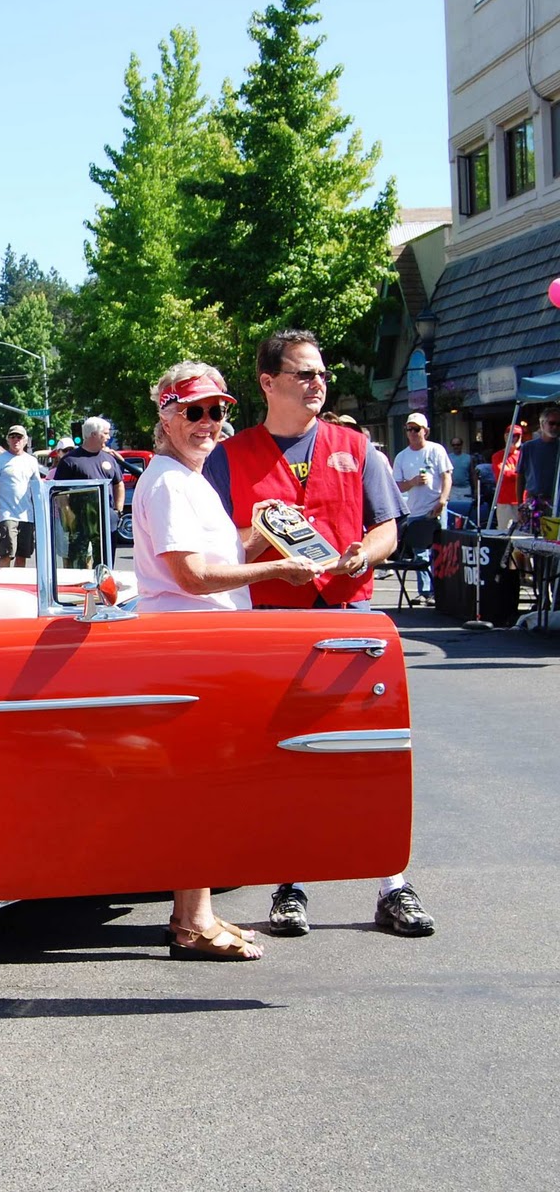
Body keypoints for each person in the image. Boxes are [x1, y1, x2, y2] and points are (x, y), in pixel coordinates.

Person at [204, 328, 433, 938]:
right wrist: (263, 533)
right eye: (304, 374)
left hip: (348, 616)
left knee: (372, 752)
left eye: (322, 374)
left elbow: (388, 525)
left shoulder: (358, 448)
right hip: (272, 623)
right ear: (268, 382)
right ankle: (290, 883)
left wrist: (366, 555)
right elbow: (218, 550)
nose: (317, 383)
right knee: (286, 755)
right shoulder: (229, 458)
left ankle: (393, 884)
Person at [133, 364, 322, 959]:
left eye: (217, 412)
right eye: (194, 412)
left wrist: (269, 531)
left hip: (204, 649)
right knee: (201, 788)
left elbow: (218, 553)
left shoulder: (187, 479)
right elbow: (190, 576)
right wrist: (276, 568)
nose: (208, 424)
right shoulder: (166, 482)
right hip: (188, 653)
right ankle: (193, 923)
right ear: (166, 416)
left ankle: (196, 917)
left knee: (205, 788)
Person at [53, 416, 126, 569]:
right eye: (105, 433)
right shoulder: (69, 461)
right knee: (78, 565)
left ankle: (103, 592)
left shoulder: (109, 459)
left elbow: (118, 484)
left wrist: (117, 511)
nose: (108, 436)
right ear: (94, 434)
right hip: (79, 523)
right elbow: (60, 494)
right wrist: (68, 517)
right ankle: (80, 592)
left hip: (107, 521)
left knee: (105, 566)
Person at [392, 411, 452, 598]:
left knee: (440, 552)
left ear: (425, 431)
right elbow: (397, 485)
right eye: (409, 429)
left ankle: (442, 591)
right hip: (415, 510)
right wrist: (412, 481)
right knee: (420, 554)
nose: (412, 432)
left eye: (416, 429)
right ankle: (425, 592)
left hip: (436, 506)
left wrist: (443, 500)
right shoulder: (402, 457)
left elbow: (446, 476)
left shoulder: (436, 450)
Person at [0, 426, 41, 568]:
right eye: (13, 436)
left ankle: (17, 584)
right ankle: (2, 584)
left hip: (27, 515)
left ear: (25, 440)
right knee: (7, 553)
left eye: (19, 437)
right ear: (8, 440)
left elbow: (37, 488)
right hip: (7, 514)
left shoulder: (31, 461)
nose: (16, 440)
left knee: (22, 555)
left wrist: (40, 513)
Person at [520, 404, 560, 517]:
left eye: (558, 424)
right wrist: (520, 504)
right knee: (531, 533)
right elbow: (520, 476)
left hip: (556, 501)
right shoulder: (528, 447)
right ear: (543, 424)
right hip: (534, 501)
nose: (555, 427)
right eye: (552, 423)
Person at [491, 424, 524, 529]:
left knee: (523, 534)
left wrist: (516, 474)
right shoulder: (497, 456)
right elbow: (502, 475)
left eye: (517, 436)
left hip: (522, 502)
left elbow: (528, 475)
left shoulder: (523, 454)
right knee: (505, 533)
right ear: (506, 436)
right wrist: (520, 474)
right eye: (512, 435)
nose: (515, 438)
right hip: (505, 502)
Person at [446, 433, 476, 514]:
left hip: (465, 488)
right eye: (453, 445)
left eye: (458, 444)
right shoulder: (447, 457)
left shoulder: (468, 458)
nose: (456, 447)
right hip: (453, 489)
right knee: (453, 511)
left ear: (462, 445)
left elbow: (473, 474)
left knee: (466, 510)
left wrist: (476, 489)